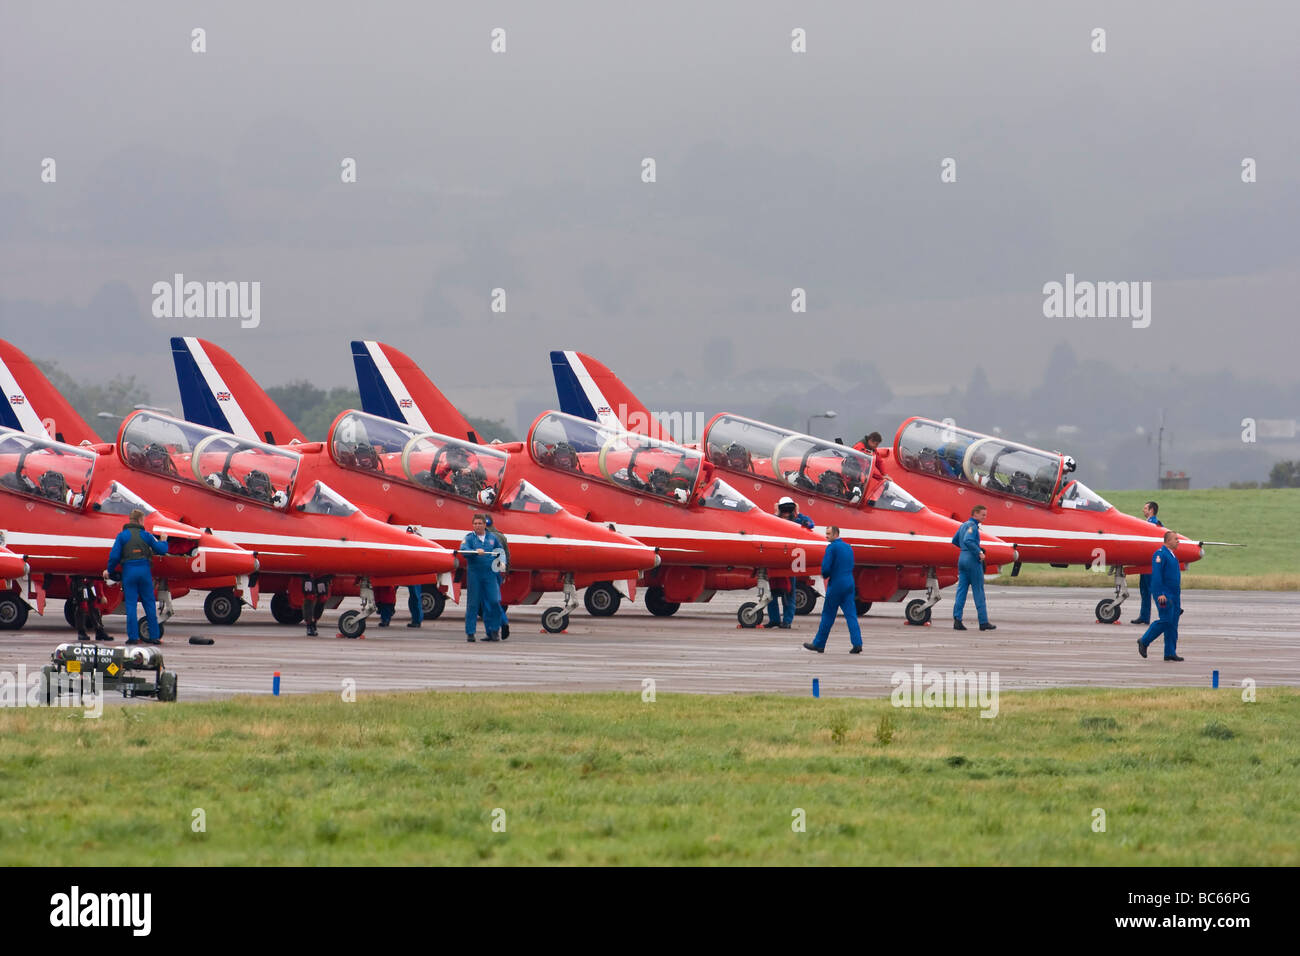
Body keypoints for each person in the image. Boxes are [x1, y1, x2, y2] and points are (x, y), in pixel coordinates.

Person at [106, 508, 168, 644]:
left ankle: (133, 638)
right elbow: (162, 550)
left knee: (131, 605)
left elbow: (114, 556)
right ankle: (154, 637)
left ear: (130, 520)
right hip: (144, 571)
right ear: (141, 520)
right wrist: (163, 540)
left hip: (129, 572)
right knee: (149, 604)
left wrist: (109, 571)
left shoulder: (122, 536)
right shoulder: (146, 535)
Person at [802, 526, 863, 654]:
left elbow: (825, 567)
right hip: (849, 583)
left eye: (828, 533)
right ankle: (857, 643)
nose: (826, 536)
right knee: (851, 615)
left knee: (828, 615)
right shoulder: (848, 547)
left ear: (836, 534)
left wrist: (825, 575)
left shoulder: (831, 547)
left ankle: (819, 643)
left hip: (836, 584)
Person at [766, 497, 814, 629]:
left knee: (789, 593)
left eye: (789, 509)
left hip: (789, 563)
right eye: (784, 508)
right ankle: (774, 620)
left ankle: (787, 621)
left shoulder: (798, 520)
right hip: (775, 561)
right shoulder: (773, 519)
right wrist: (775, 514)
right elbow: (763, 524)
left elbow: (810, 524)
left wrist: (799, 514)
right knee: (771, 594)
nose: (787, 512)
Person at [1138, 530, 1184, 661]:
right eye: (1175, 539)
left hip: (1174, 596)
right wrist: (1160, 594)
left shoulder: (1172, 555)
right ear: (1168, 541)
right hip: (1164, 596)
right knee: (1166, 620)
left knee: (1173, 624)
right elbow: (1157, 577)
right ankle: (1144, 641)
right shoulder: (1160, 555)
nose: (1178, 541)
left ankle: (1170, 652)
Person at [462, 514, 505, 642]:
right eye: (475, 524)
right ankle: (470, 633)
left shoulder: (493, 538)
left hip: (490, 575)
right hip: (474, 574)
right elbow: (463, 549)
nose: (477, 526)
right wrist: (475, 552)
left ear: (485, 525)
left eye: (480, 523)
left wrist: (501, 567)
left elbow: (500, 552)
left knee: (494, 601)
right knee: (473, 604)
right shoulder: (469, 538)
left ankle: (493, 631)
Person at [952, 505, 995, 631]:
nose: (984, 517)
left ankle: (957, 620)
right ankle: (983, 622)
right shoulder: (973, 526)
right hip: (972, 560)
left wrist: (965, 550)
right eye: (983, 514)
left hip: (962, 559)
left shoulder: (963, 525)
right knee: (978, 591)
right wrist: (979, 552)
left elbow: (955, 540)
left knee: (961, 591)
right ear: (975, 514)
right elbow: (968, 540)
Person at [1131, 500, 1164, 624]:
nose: (1143, 510)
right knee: (1145, 590)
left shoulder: (1154, 524)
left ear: (1151, 510)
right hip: (1146, 563)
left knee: (1153, 590)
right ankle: (1144, 617)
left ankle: (1171, 610)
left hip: (1151, 564)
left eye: (1145, 508)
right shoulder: (1151, 524)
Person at [484, 516, 511, 640]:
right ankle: (492, 632)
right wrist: (506, 572)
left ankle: (497, 627)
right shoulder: (501, 536)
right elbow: (507, 556)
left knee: (489, 603)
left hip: (487, 573)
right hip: (498, 572)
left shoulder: (485, 538)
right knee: (492, 602)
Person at [71, 575, 110, 642]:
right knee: (82, 605)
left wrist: (101, 595)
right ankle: (81, 632)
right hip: (78, 578)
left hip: (89, 578)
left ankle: (99, 631)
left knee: (94, 604)